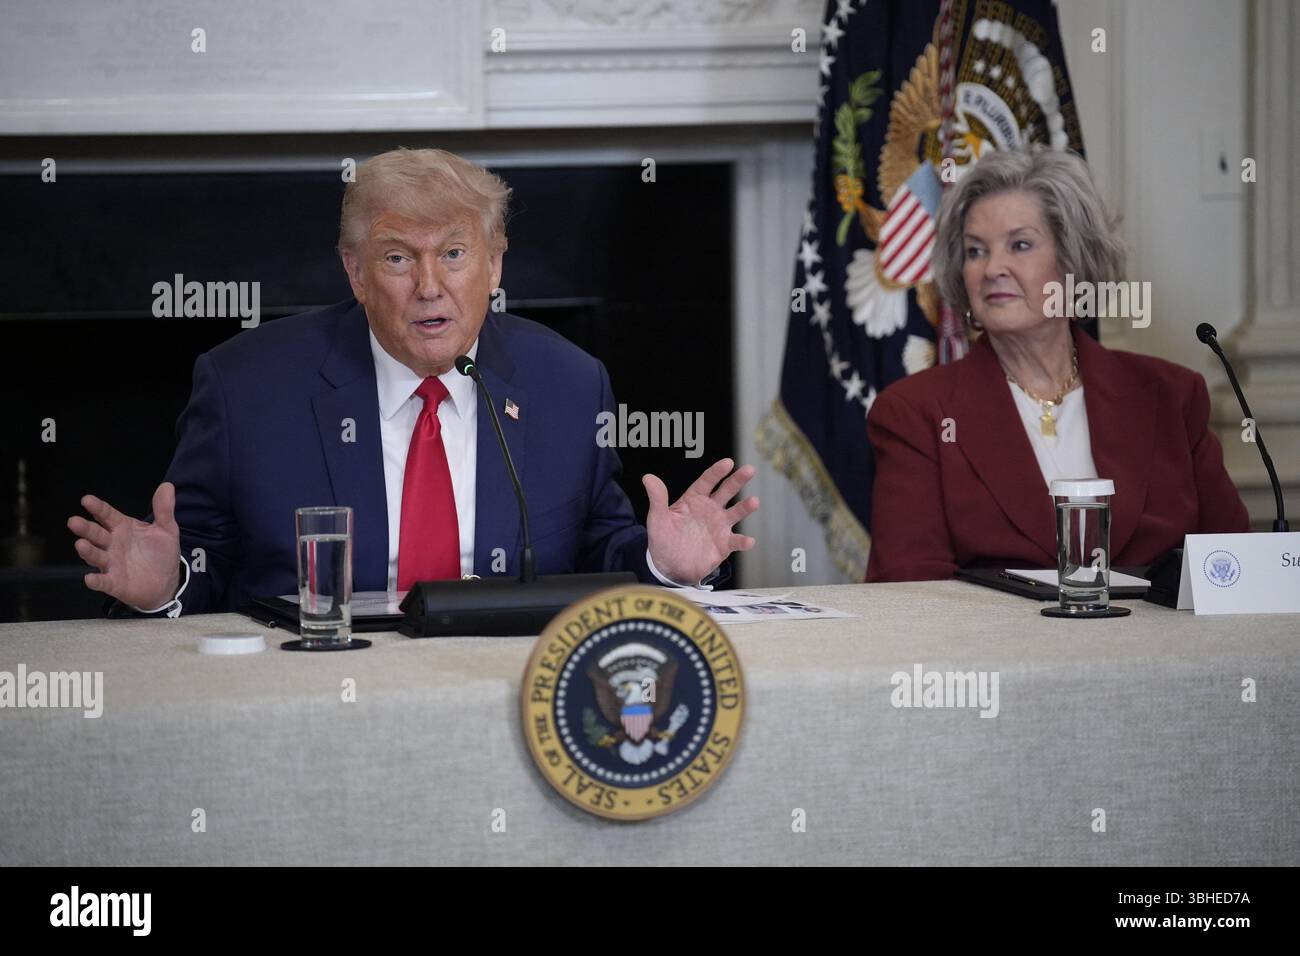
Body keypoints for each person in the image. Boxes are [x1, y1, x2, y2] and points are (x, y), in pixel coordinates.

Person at [67, 148, 759, 615]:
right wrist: (169, 584)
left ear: (494, 266)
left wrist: (664, 564)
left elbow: (596, 550)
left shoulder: (568, 384)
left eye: (455, 254)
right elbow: (205, 561)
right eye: (398, 258)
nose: (430, 287)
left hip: (507, 691)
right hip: (313, 694)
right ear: (356, 272)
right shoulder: (247, 386)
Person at [865, 147, 1248, 583]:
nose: (992, 269)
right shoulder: (916, 414)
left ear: (1072, 259)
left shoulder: (1170, 395)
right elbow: (909, 594)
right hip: (996, 651)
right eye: (975, 251)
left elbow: (1236, 568)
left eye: (1020, 245)